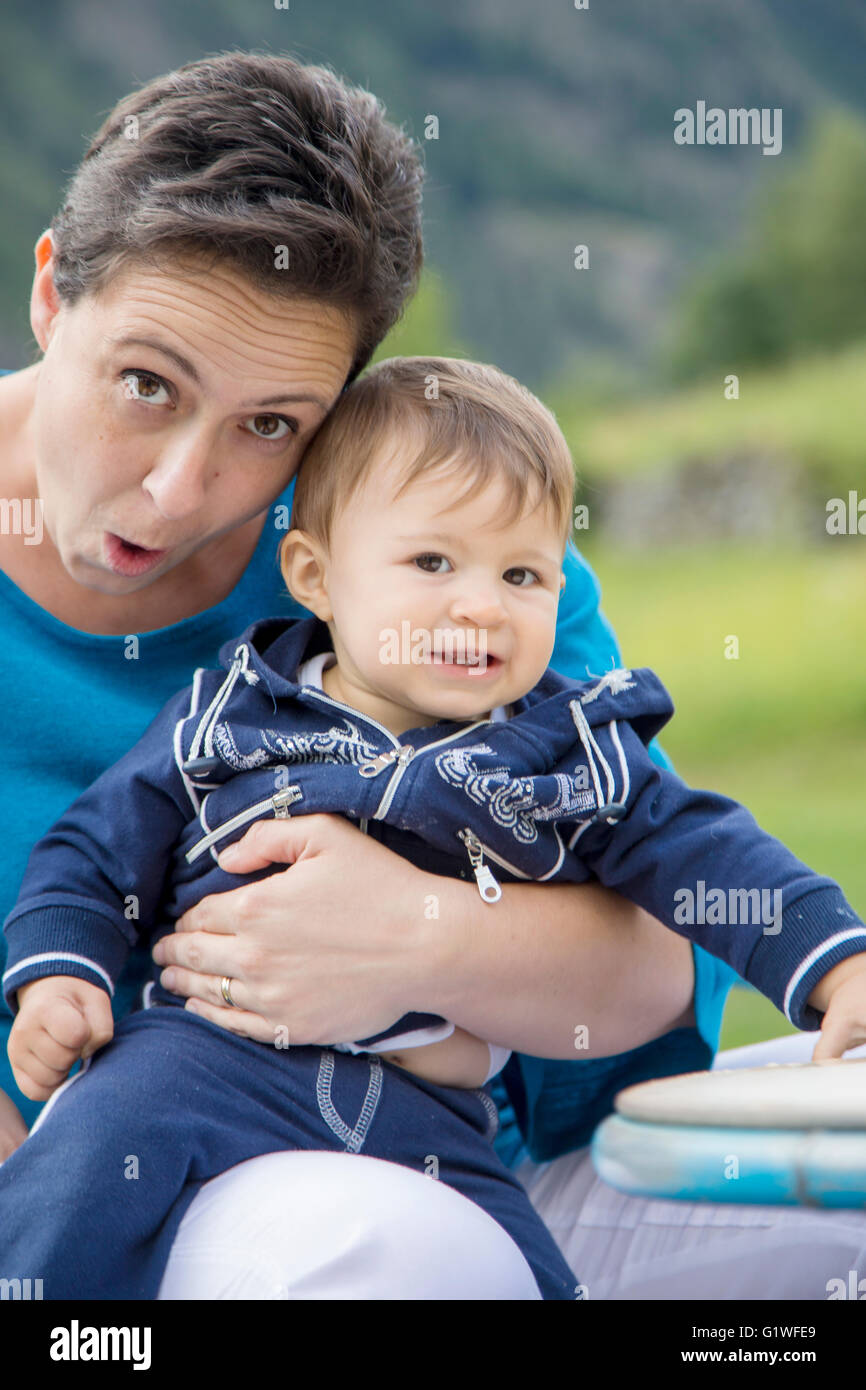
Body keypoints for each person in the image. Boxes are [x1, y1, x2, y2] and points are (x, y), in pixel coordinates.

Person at [0, 49, 860, 1301]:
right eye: (146, 384)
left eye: (270, 425)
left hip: (472, 1158)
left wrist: (419, 941)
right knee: (389, 1254)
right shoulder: (232, 712)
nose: (184, 489)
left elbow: (672, 948)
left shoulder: (443, 558)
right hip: (143, 1188)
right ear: (50, 296)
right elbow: (90, 855)